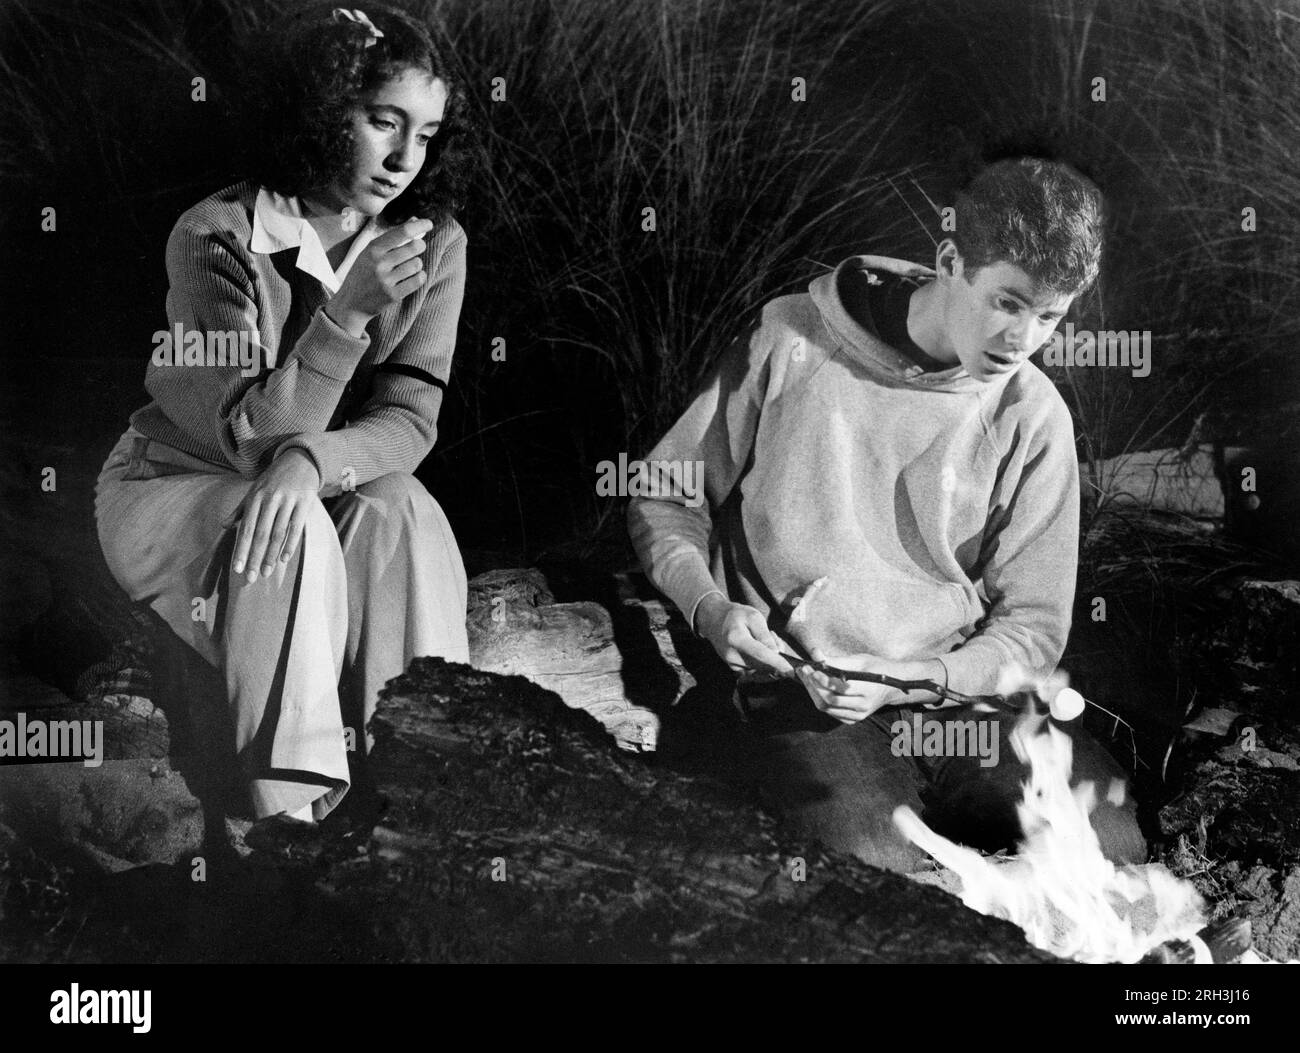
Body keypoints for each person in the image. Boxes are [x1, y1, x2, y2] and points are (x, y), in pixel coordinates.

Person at [627, 157, 1147, 872]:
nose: (1024, 338)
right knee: (864, 864)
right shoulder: (792, 339)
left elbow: (1033, 628)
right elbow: (664, 488)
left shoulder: (1032, 415)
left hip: (954, 704)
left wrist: (920, 674)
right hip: (809, 696)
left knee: (1107, 846)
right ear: (950, 260)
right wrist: (710, 609)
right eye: (1007, 302)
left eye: (1050, 316)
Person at [94, 4, 476, 824]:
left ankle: (431, 801)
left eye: (428, 132)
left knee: (407, 509)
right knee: (293, 526)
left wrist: (311, 463)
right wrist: (347, 314)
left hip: (295, 486)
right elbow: (244, 439)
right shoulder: (216, 235)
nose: (407, 158)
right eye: (383, 122)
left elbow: (410, 420)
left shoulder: (434, 240)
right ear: (326, 108)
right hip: (174, 488)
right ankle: (290, 828)